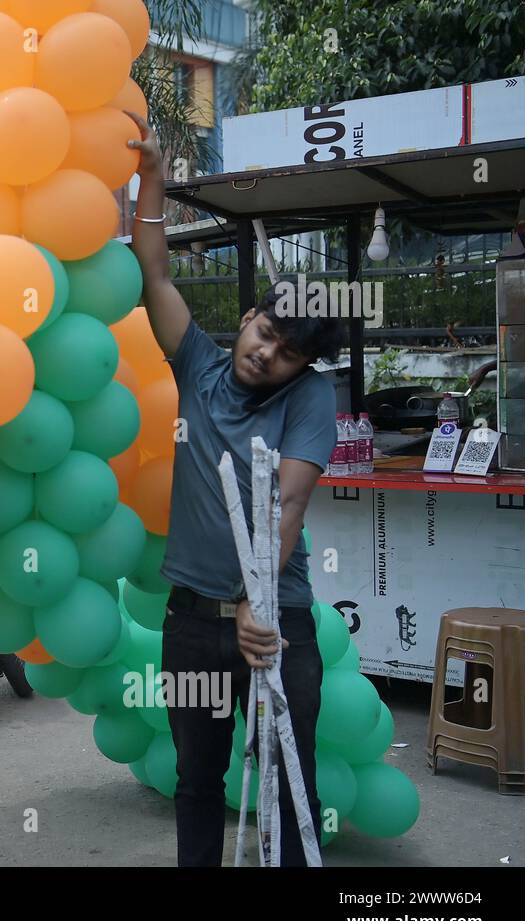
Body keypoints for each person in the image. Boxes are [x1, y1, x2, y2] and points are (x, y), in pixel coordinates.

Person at [125, 111, 343, 867]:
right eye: (265, 334)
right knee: (197, 783)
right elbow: (153, 270)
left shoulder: (310, 399)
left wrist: (258, 598)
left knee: (288, 779)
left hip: (277, 624)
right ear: (249, 318)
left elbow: (286, 499)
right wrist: (153, 178)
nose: (267, 354)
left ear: (300, 367)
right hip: (190, 624)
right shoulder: (200, 366)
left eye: (286, 353)